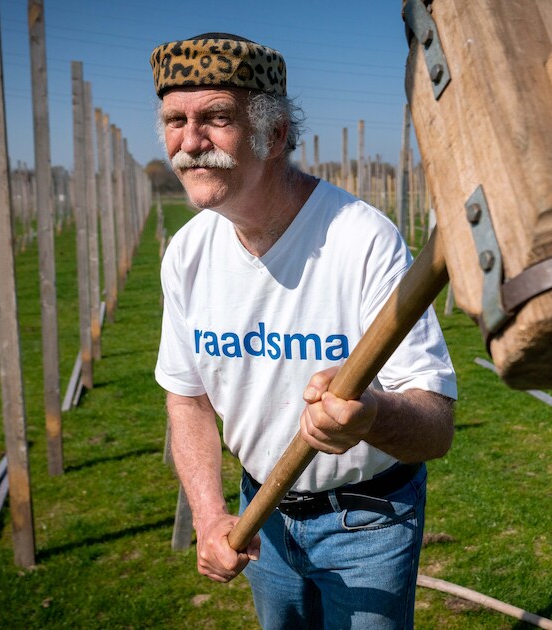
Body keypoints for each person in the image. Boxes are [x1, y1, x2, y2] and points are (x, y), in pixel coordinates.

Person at [151, 33, 458, 629]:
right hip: (258, 515)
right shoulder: (187, 253)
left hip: (367, 520)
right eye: (174, 120)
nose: (190, 142)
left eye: (216, 117)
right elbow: (186, 396)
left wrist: (372, 414)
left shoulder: (361, 240)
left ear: (276, 136)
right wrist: (211, 515)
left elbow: (436, 426)